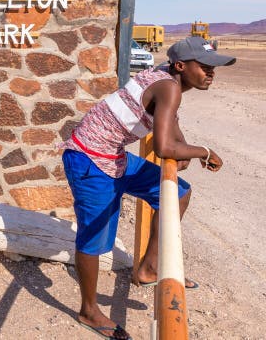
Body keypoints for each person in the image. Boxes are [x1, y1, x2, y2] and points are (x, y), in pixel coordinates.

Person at [60, 36, 235, 339]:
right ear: (181, 66)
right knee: (94, 239)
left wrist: (183, 148)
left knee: (178, 192)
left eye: (214, 68)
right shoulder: (169, 87)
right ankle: (88, 309)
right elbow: (166, 146)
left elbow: (170, 126)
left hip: (111, 155)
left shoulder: (166, 79)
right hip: (88, 159)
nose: (211, 74)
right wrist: (203, 151)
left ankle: (148, 268)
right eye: (205, 67)